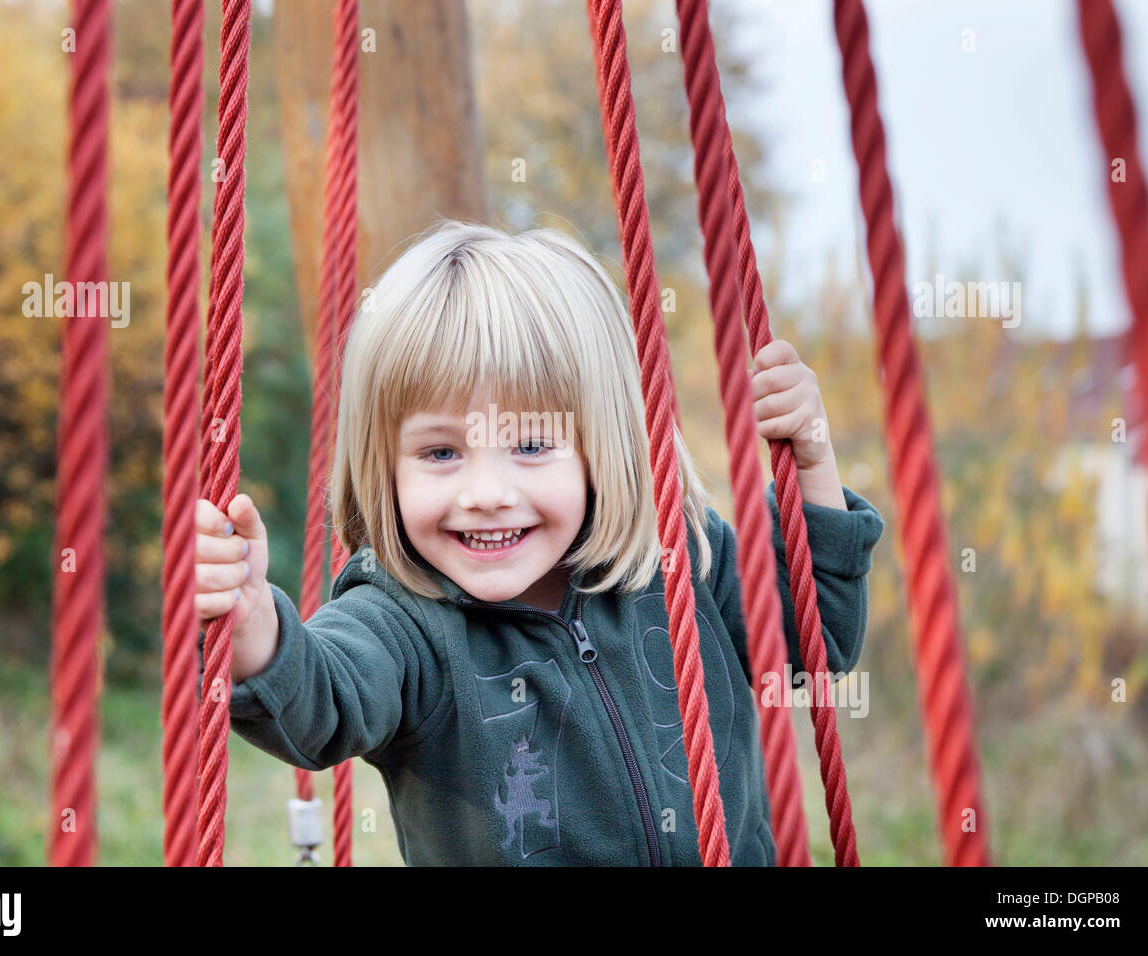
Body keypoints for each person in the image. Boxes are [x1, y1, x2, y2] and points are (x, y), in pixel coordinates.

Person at [195, 219, 884, 865]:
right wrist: (254, 628)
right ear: (385, 469)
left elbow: (809, 641)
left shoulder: (679, 558)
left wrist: (812, 465)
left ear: (599, 447)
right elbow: (325, 701)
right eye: (440, 453)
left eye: (529, 444)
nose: (486, 491)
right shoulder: (401, 622)